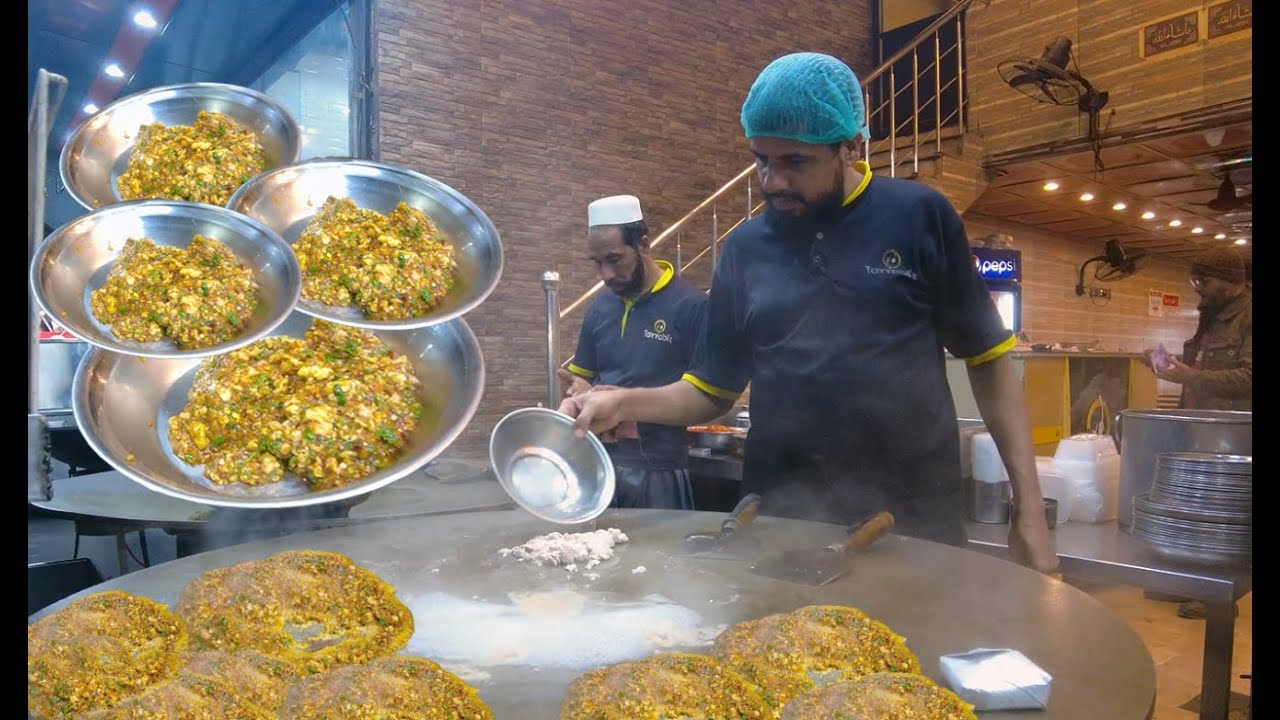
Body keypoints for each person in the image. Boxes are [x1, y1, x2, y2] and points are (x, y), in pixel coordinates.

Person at [559, 53, 1057, 573]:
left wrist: (1030, 510)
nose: (773, 182)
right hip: (779, 514)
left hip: (909, 511)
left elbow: (989, 358)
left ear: (852, 147)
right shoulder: (745, 248)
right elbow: (709, 392)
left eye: (795, 162)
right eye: (761, 160)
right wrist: (621, 402)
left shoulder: (917, 216)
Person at [555, 195, 708, 509]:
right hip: (601, 462)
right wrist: (578, 390)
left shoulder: (690, 305)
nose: (606, 275)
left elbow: (706, 393)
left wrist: (627, 403)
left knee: (661, 555)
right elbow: (582, 377)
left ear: (643, 244)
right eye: (597, 263)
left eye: (615, 259)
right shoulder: (600, 307)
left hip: (660, 467)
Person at [1142, 245, 1252, 619]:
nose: (1199, 288)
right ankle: (1188, 582)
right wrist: (1167, 366)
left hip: (1231, 434)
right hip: (1198, 424)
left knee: (1218, 514)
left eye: (1204, 280)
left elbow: (1249, 378)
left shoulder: (1249, 316)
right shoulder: (1211, 314)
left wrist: (1190, 376)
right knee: (1190, 508)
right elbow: (1197, 368)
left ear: (1231, 282)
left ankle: (1219, 596)